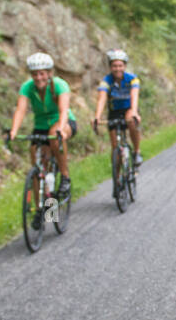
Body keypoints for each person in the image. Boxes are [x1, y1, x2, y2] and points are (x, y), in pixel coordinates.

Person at [8, 52, 76, 225]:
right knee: (38, 166)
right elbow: (21, 109)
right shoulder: (27, 87)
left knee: (55, 139)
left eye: (42, 73)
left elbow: (63, 110)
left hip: (62, 122)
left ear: (49, 73)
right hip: (40, 125)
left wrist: (61, 128)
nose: (38, 77)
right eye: (35, 74)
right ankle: (42, 208)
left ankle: (65, 177)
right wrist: (13, 131)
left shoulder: (60, 85)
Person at [92, 49, 143, 166]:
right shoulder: (106, 81)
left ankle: (136, 151)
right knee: (115, 147)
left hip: (129, 109)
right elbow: (102, 99)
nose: (117, 69)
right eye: (114, 66)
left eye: (120, 65)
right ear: (110, 67)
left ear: (125, 66)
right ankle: (117, 179)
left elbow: (134, 96)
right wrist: (97, 116)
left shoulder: (132, 79)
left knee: (132, 122)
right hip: (114, 112)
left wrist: (135, 112)